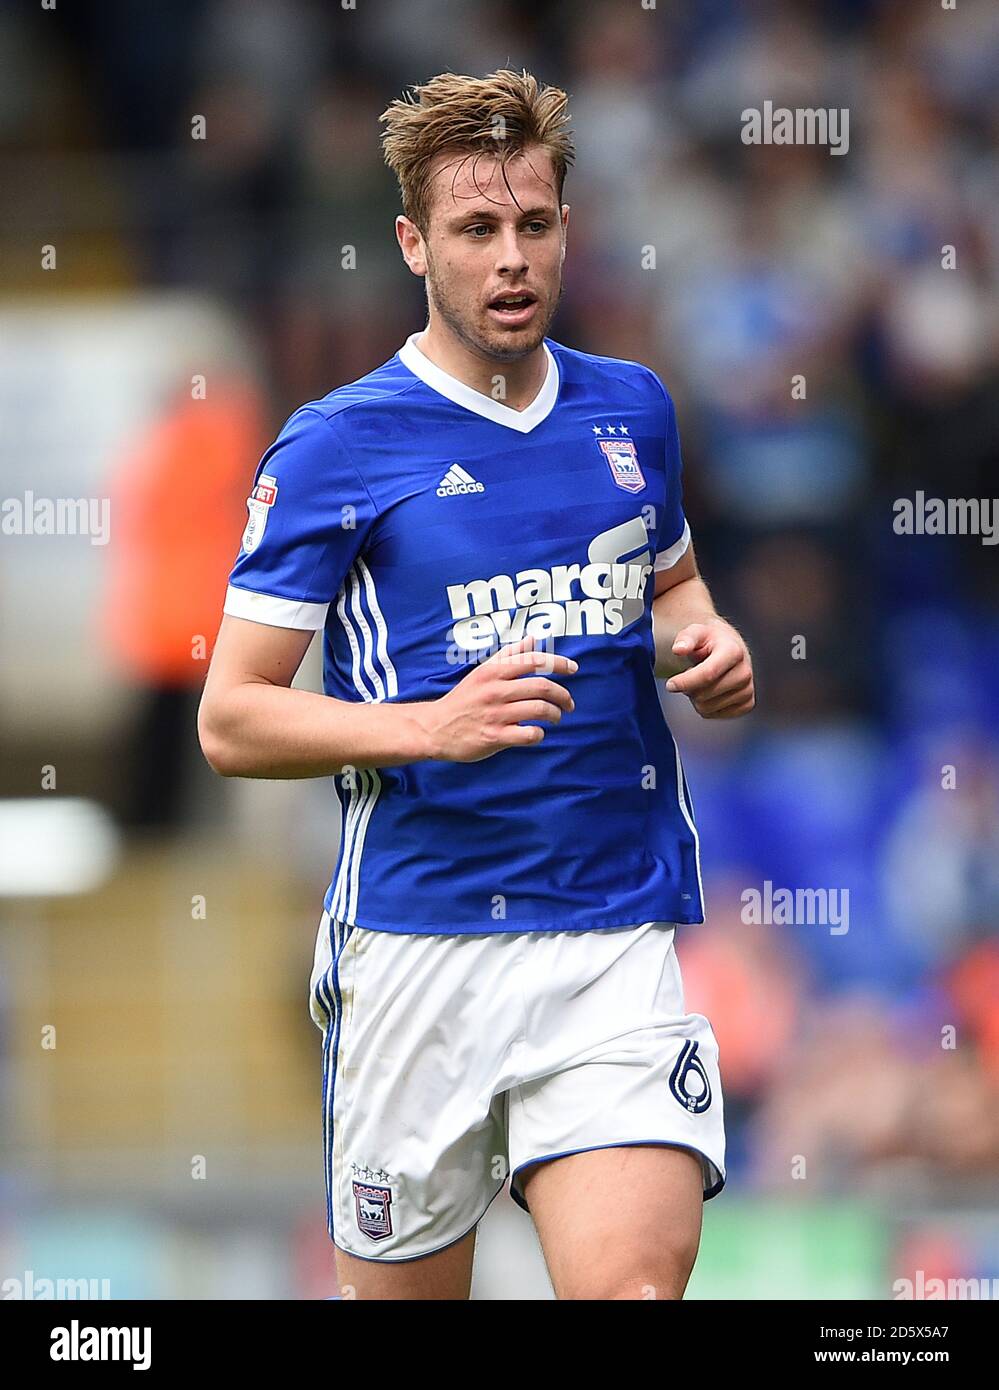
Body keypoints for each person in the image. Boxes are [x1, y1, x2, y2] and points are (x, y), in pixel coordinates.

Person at [198, 68, 755, 1301]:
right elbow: (230, 714)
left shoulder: (633, 409)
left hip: (611, 931)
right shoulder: (338, 443)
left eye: (535, 225)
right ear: (413, 241)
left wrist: (707, 639)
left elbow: (675, 586)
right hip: (417, 943)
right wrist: (428, 728)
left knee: (635, 1290)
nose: (512, 259)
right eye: (475, 229)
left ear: (567, 228)